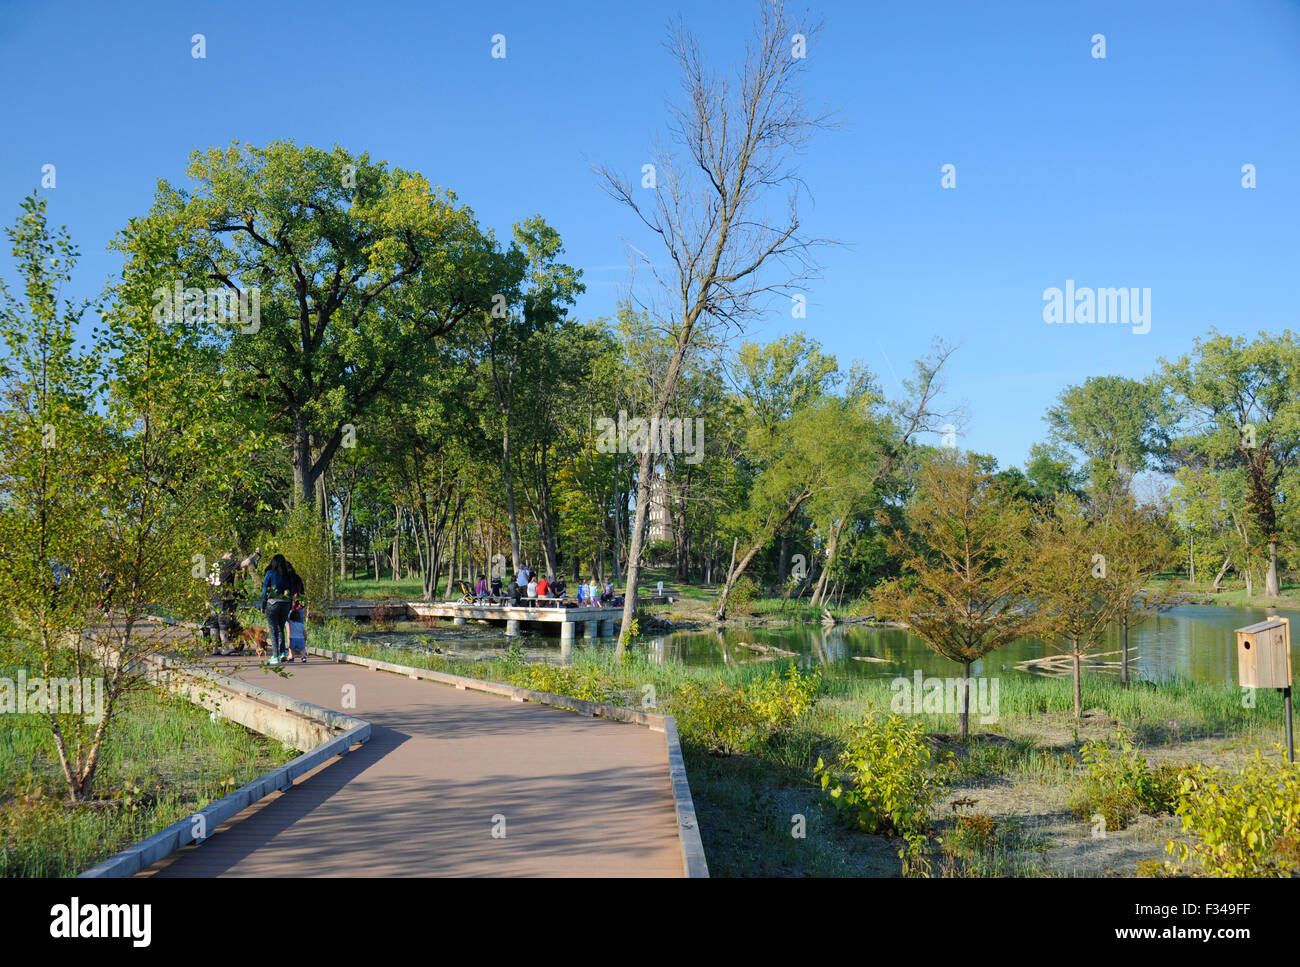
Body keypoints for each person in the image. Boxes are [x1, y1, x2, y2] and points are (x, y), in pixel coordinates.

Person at [261, 554, 295, 665]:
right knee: (281, 628)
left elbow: (264, 591)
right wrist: (290, 605)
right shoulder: (288, 575)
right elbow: (291, 590)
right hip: (285, 604)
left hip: (272, 603)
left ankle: (275, 656)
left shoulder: (270, 573)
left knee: (273, 629)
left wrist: (263, 605)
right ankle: (283, 654)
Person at [285, 561, 307, 663]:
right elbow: (302, 592)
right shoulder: (297, 578)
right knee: (301, 630)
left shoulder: (285, 579)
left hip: (290, 607)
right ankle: (303, 652)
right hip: (299, 607)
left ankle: (291, 654)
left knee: (289, 631)